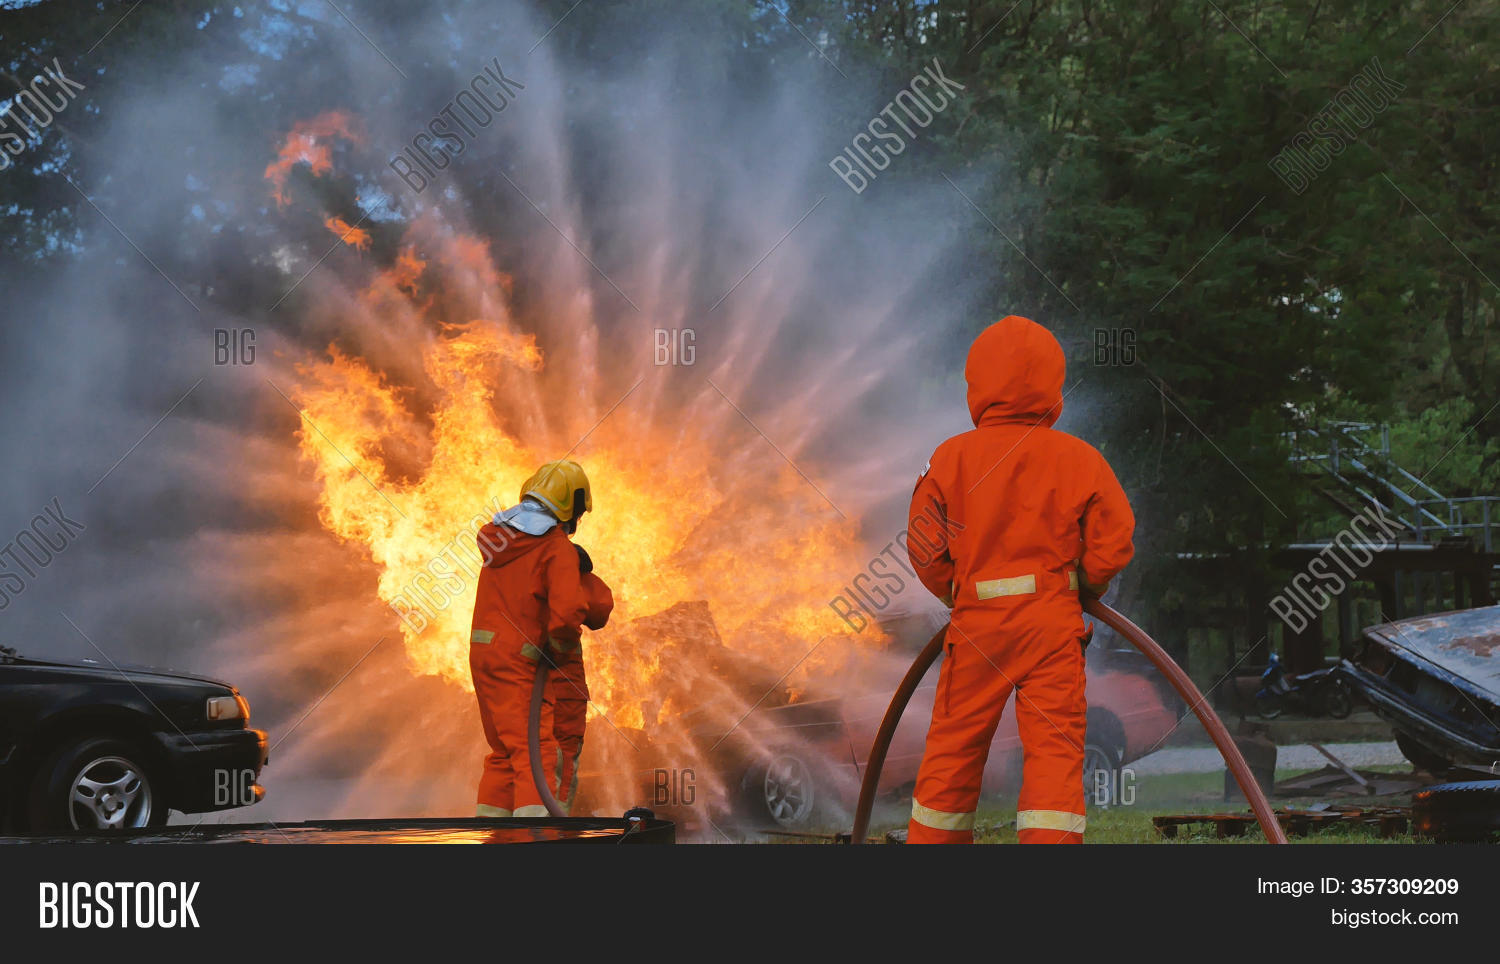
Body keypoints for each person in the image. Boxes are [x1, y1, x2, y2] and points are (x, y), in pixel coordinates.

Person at [905, 315, 1135, 844]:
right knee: (1054, 756)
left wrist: (955, 591)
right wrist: (1082, 585)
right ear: (1053, 386)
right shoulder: (1081, 459)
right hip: (1050, 630)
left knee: (953, 753)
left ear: (977, 385)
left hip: (977, 628)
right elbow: (1114, 540)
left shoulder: (948, 458)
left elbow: (922, 544)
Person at [468, 459, 613, 817]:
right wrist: (560, 656)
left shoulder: (498, 541)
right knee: (537, 754)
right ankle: (537, 838)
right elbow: (566, 616)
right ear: (572, 506)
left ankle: (494, 837)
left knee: (505, 752)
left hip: (485, 658)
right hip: (524, 662)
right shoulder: (554, 548)